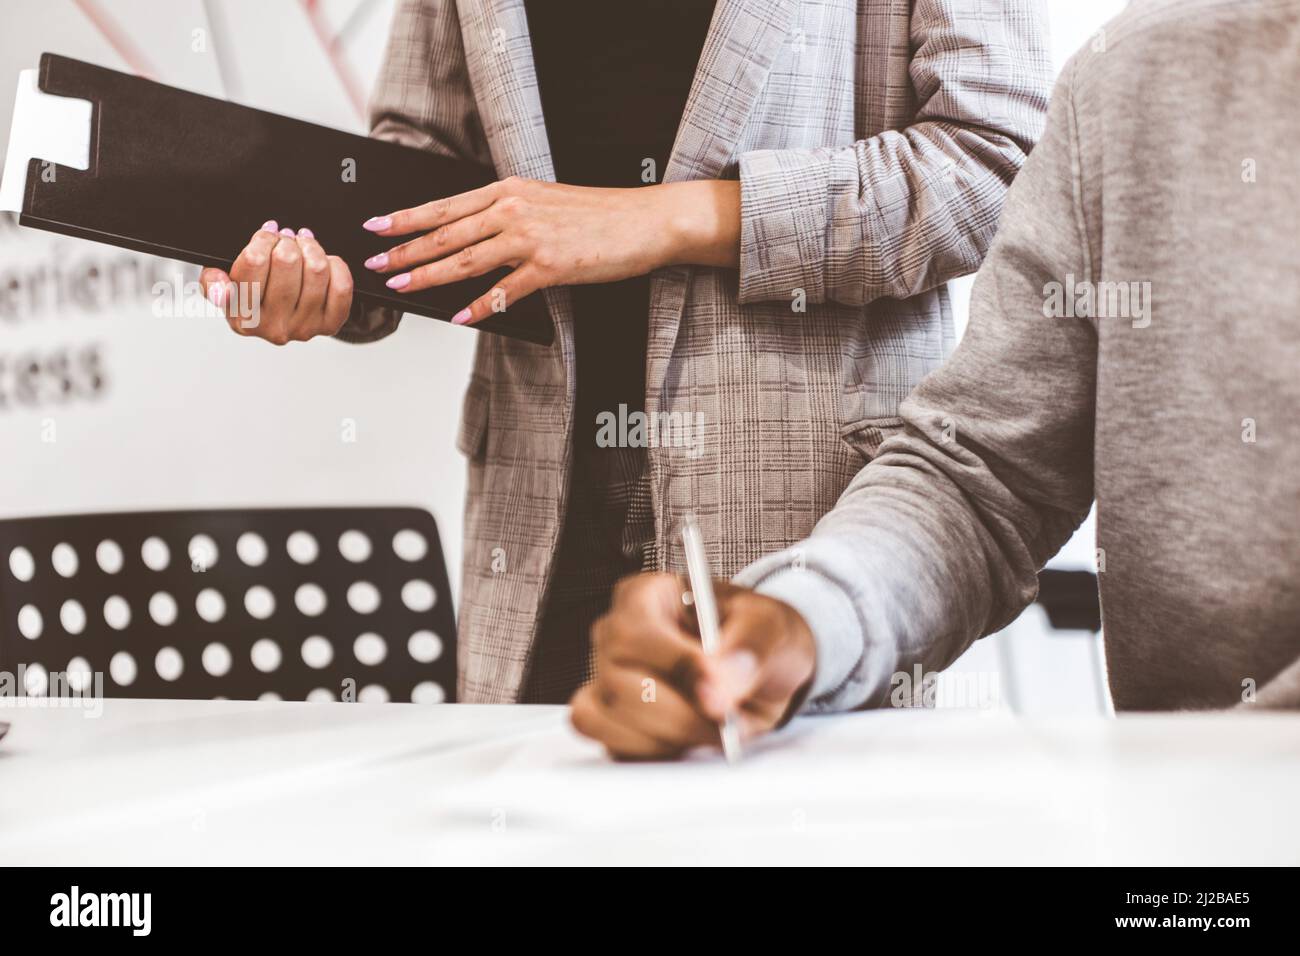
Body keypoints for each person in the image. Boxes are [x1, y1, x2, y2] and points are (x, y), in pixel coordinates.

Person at [199, 0, 1050, 702]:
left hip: (807, 509)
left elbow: (991, 167)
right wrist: (330, 272)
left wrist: (660, 218)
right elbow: (429, 159)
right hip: (537, 520)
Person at [572, 0, 1300, 757]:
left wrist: (666, 219)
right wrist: (801, 620)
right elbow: (985, 476)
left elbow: (979, 168)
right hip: (1190, 818)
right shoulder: (1139, 81)